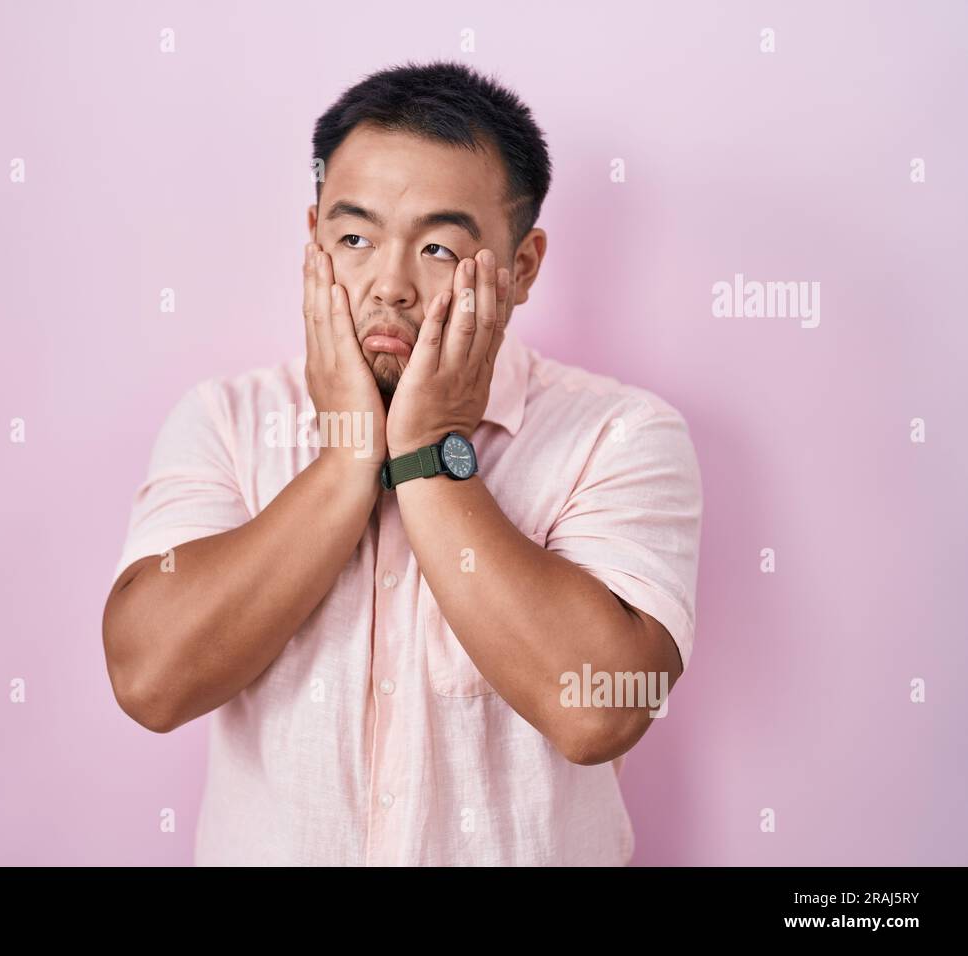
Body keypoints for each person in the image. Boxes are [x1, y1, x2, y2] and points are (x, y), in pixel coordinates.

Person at [103, 61, 702, 865]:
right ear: (313, 237)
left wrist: (429, 452)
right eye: (354, 238)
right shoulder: (226, 420)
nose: (389, 285)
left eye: (438, 249)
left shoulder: (621, 434)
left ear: (522, 266)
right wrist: (349, 455)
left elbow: (597, 711)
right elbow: (150, 681)